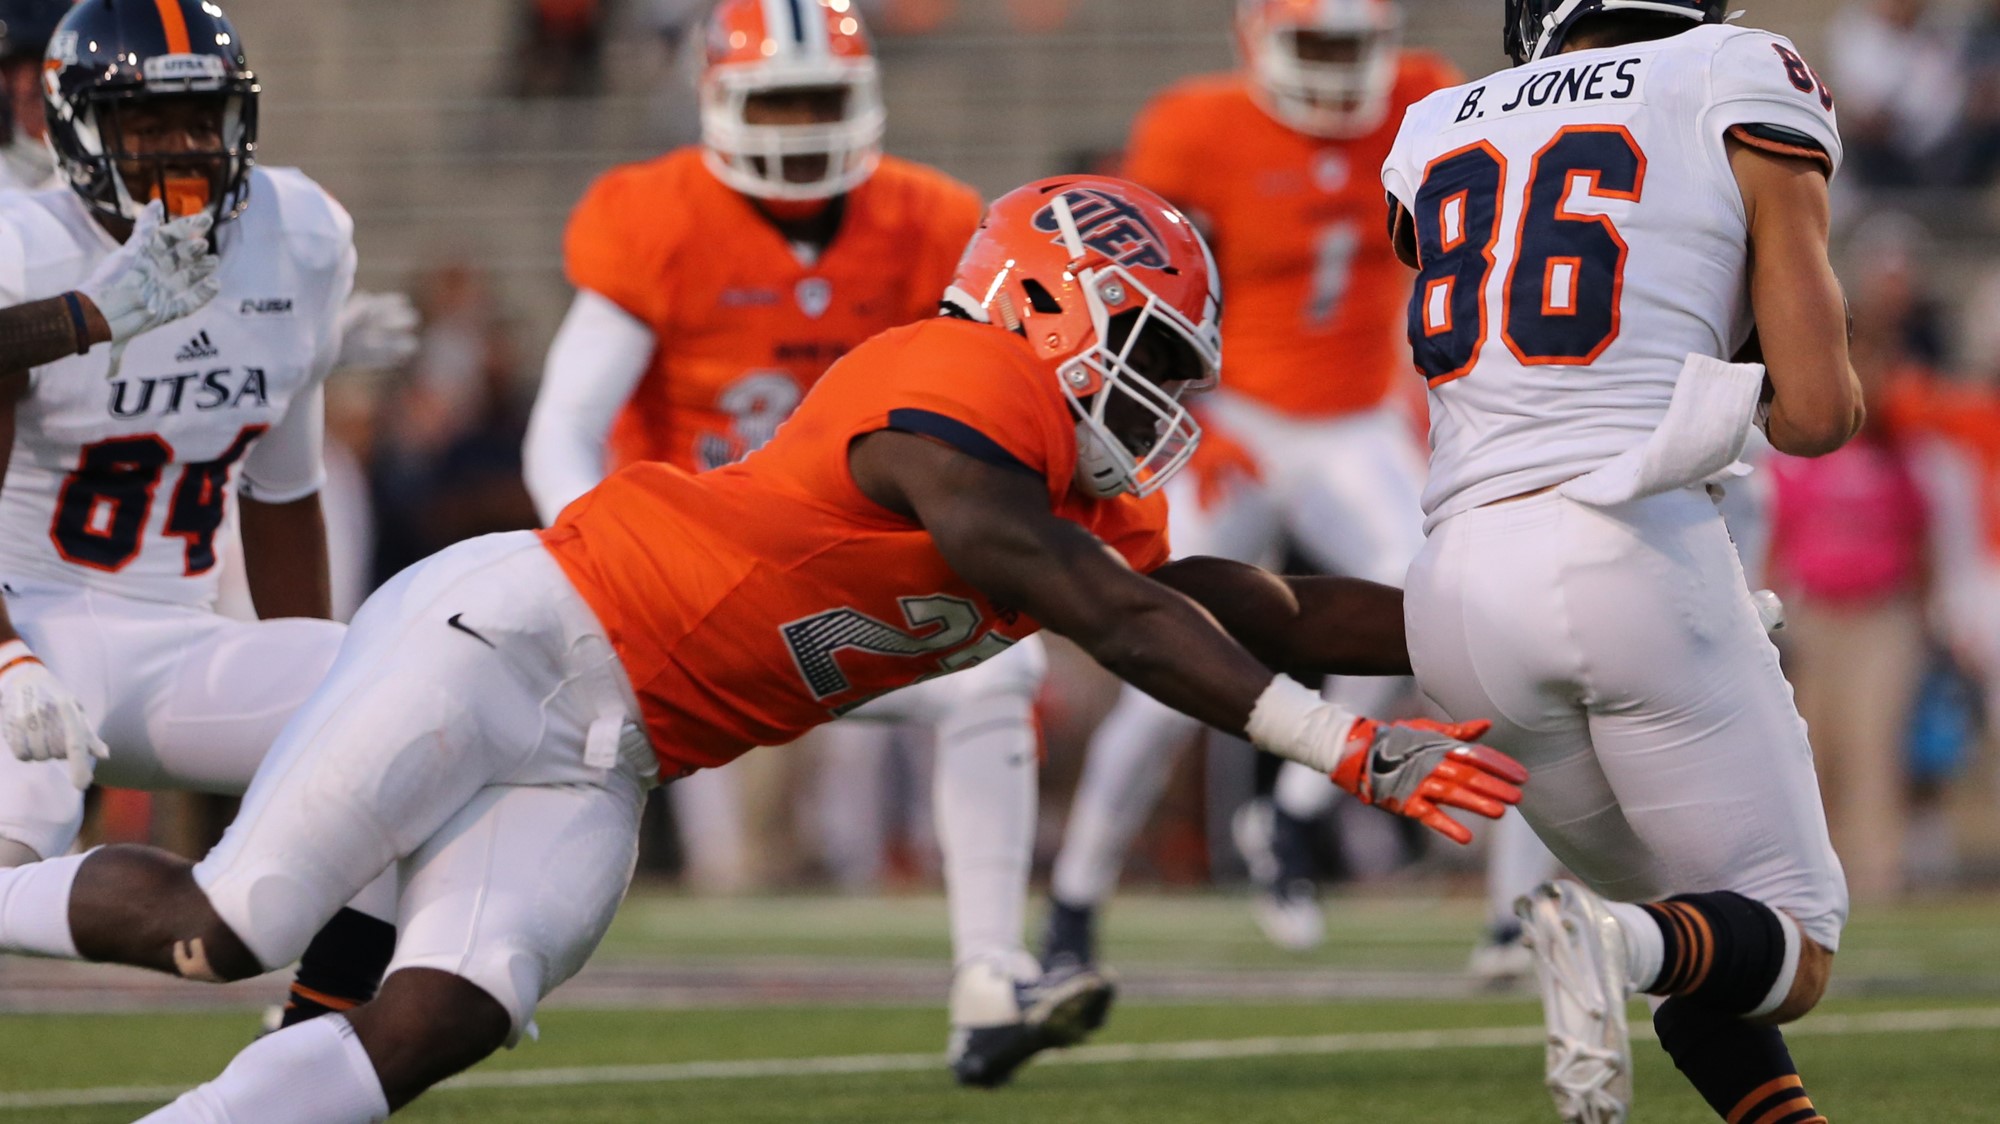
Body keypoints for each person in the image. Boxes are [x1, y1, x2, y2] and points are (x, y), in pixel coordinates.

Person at [0, 174, 1526, 1122]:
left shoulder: (1073, 498)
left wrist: (1486, 623)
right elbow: (1092, 602)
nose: (1158, 401)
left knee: (439, 1014)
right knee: (240, 922)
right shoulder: (957, 381)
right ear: (1041, 310)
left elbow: (1246, 605)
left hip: (615, 756)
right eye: (1143, 353)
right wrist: (1339, 743)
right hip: (515, 635)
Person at [520, 0, 1079, 1084]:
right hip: (691, 586)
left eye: (819, 98)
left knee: (1000, 676)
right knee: (573, 820)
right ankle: (348, 982)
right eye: (777, 101)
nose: (800, 126)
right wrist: (599, 575)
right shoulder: (655, 214)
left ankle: (989, 976)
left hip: (843, 576)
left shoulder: (926, 218)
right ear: (716, 99)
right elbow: (564, 428)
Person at [1383, 1, 1857, 1120]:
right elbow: (1817, 412)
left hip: (1453, 592)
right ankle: (1604, 939)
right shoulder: (1732, 69)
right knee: (1792, 939)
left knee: (1706, 939)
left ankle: (1629, 952)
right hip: (1627, 547)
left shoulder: (1436, 119)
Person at [1042, 0, 1552, 970]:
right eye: (1314, 41)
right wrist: (1187, 410)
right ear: (1256, 36)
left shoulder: (1422, 95)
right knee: (1163, 665)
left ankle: (1297, 805)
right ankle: (1072, 903)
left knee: (1424, 599)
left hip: (1351, 419)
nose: (1334, 66)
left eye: (1350, 44)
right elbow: (1131, 294)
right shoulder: (1194, 125)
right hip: (1230, 418)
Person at [0, 0, 400, 1031]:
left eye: (198, 118)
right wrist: (6, 655)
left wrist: (315, 684)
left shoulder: (298, 234)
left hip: (175, 636)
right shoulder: (25, 247)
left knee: (403, 709)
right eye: (145, 124)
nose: (179, 148)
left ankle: (324, 1032)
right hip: (26, 622)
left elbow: (285, 491)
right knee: (23, 820)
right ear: (79, 130)